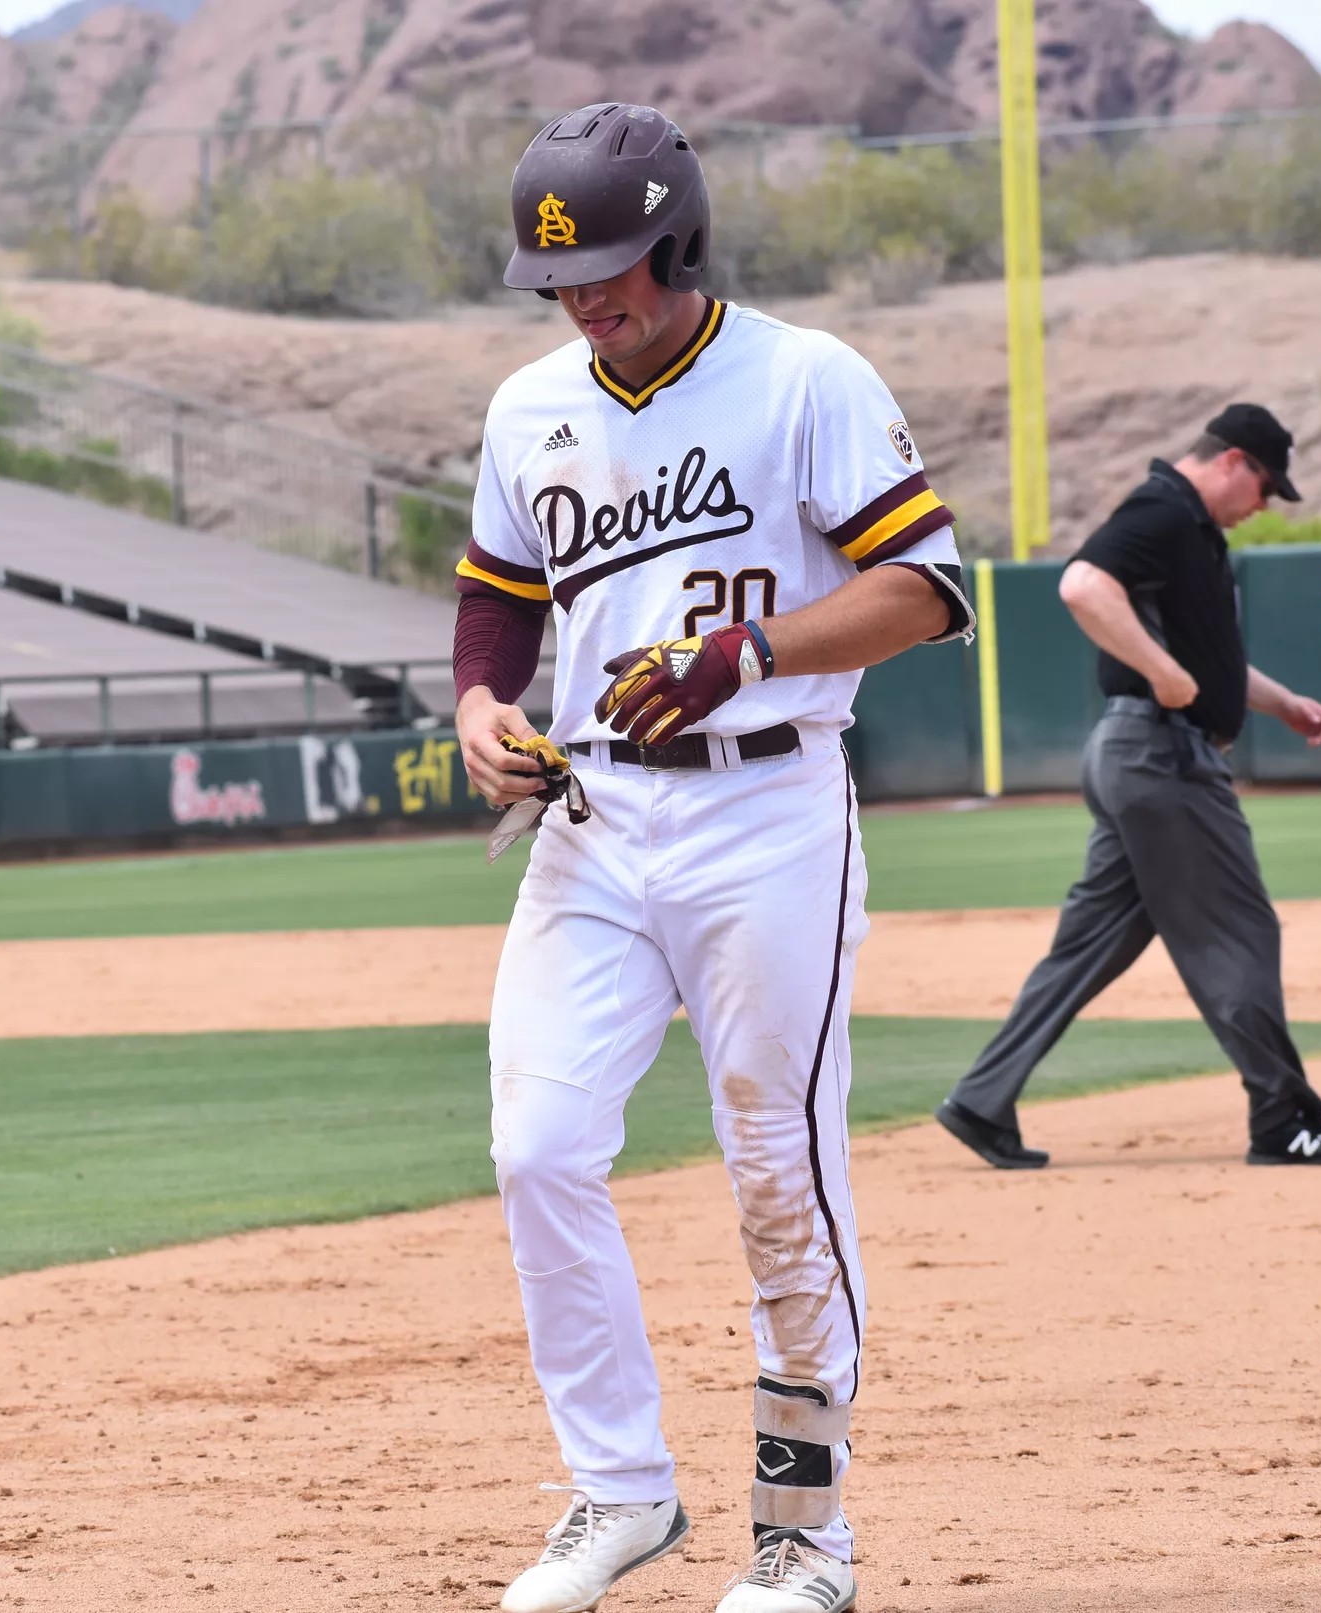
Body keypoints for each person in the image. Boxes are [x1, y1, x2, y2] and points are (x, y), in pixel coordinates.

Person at [454, 103, 975, 1613]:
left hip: (765, 812)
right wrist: (482, 709)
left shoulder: (805, 378)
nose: (580, 297)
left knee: (774, 1167)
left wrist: (750, 651)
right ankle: (619, 1487)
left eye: (605, 266)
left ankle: (805, 1533)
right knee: (536, 1145)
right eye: (556, 276)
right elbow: (497, 596)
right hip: (592, 817)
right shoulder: (527, 406)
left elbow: (927, 588)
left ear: (678, 242)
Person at [934, 405, 1321, 1171]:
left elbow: (1210, 662)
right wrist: (1164, 673)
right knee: (1239, 933)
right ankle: (1284, 1120)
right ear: (1234, 461)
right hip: (1164, 758)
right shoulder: (1165, 510)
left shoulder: (1193, 532)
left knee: (1089, 946)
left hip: (1137, 756)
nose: (1264, 505)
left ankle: (981, 1099)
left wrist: (1282, 704)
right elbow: (1082, 585)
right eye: (1265, 486)